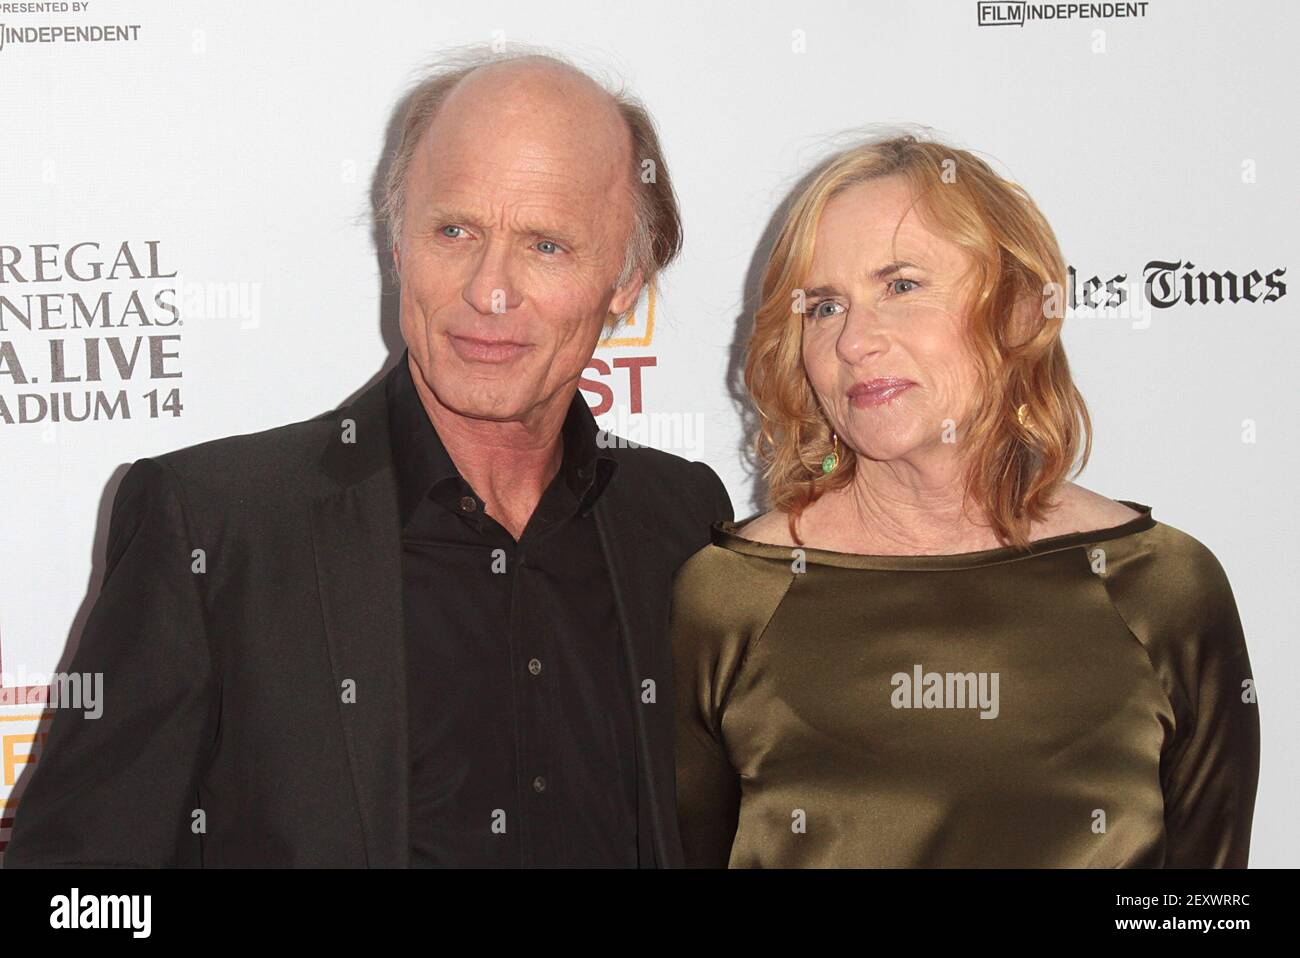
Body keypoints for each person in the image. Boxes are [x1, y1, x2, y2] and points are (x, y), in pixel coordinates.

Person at [5, 46, 731, 868]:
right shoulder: (213, 528)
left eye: (547, 246)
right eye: (453, 230)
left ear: (627, 278)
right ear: (398, 245)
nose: (489, 291)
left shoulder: (682, 523)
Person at [670, 133, 1260, 868]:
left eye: (902, 286)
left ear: (1015, 308)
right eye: (823, 306)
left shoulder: (1162, 587)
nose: (855, 341)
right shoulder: (729, 598)